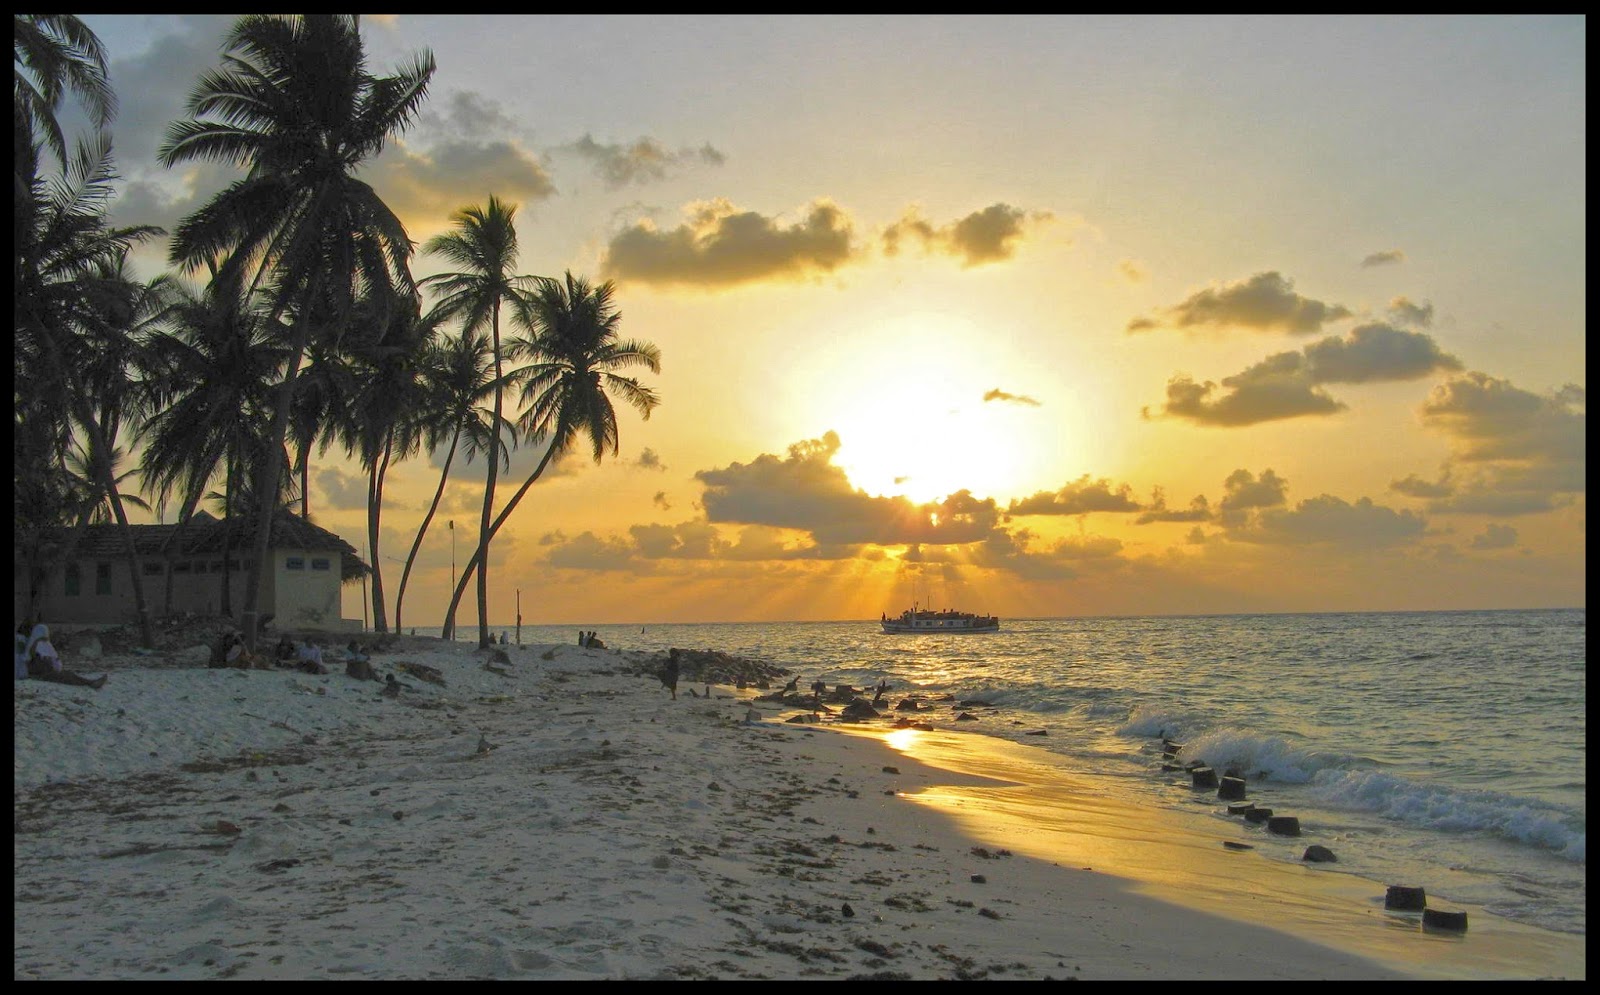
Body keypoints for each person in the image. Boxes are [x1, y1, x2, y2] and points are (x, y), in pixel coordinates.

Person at [23, 623, 106, 689]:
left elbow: (53, 659)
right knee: (67, 677)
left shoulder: (39, 644)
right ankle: (90, 683)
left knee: (68, 675)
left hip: (48, 672)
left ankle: (90, 682)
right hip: (43, 674)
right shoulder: (36, 645)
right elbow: (38, 662)